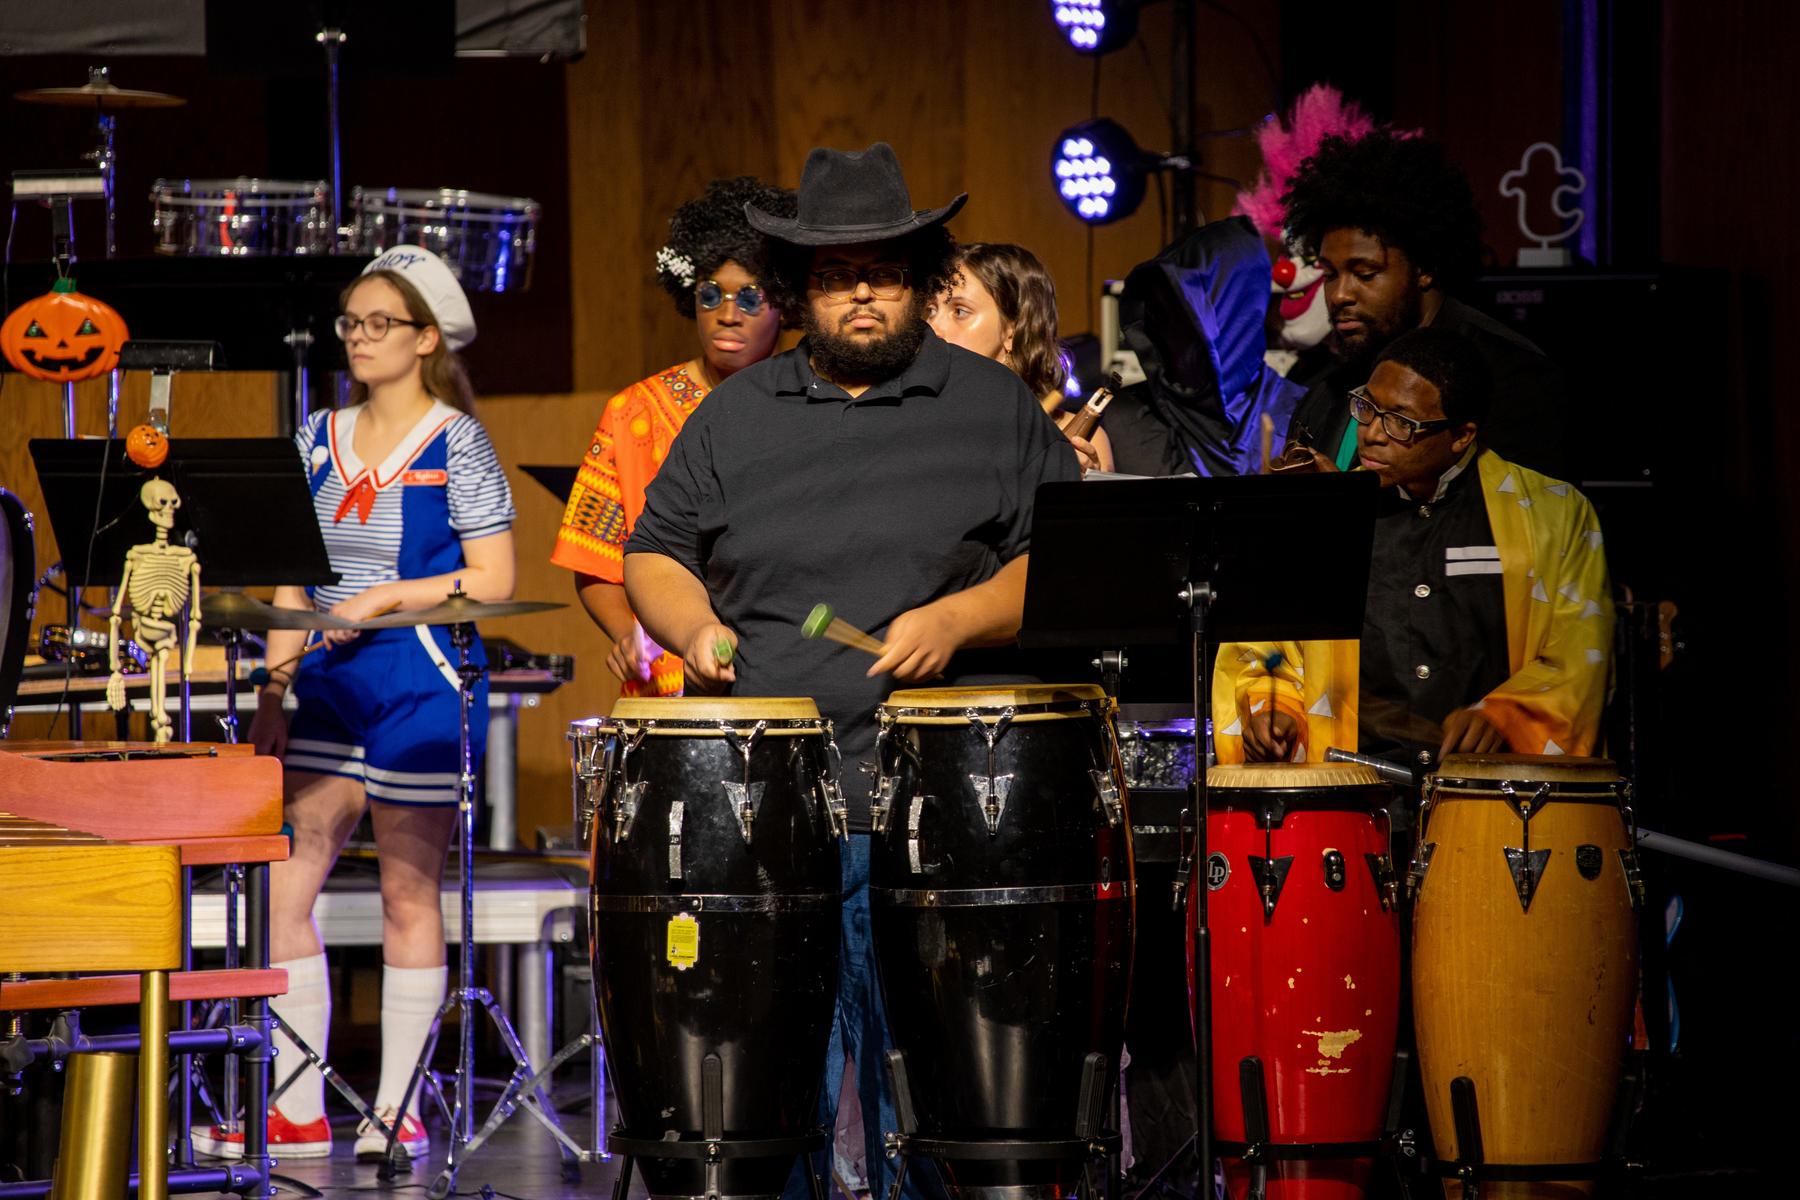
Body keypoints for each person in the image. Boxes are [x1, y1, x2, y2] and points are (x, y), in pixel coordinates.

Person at [622, 142, 1080, 1200]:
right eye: (836, 277)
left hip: (948, 807)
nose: (862, 294)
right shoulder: (735, 416)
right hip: (762, 809)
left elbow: (1061, 559)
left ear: (919, 279)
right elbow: (655, 550)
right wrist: (691, 628)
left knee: (924, 1092)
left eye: (883, 272)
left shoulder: (990, 406)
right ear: (799, 292)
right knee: (768, 1087)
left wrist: (962, 616)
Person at [195, 247, 516, 1161]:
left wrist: (381, 598)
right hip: (326, 687)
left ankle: (398, 1110)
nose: (360, 338)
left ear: (426, 339)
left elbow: (495, 579)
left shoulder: (459, 440)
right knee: (286, 890)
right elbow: (293, 579)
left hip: (421, 675)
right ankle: (295, 1110)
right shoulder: (315, 435)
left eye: (380, 323)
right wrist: (274, 683)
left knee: (408, 893)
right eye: (351, 322)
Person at [1215, 327, 1612, 771]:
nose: (1372, 434)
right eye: (1367, 408)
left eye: (1401, 421)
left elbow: (1579, 657)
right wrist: (1276, 711)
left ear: (1461, 436)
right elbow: (1266, 648)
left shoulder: (1553, 514)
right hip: (1357, 797)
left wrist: (1506, 714)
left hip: (1487, 801)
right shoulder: (1328, 514)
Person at [552, 177, 795, 695]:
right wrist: (626, 633)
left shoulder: (807, 402)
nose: (728, 314)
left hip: (780, 673)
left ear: (785, 306)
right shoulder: (632, 412)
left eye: (750, 298)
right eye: (712, 295)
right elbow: (595, 558)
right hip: (667, 692)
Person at [1279, 130, 1571, 479]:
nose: (1340, 294)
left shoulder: (1511, 380)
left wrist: (1346, 510)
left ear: (1425, 267)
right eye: (1330, 274)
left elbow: (1536, 523)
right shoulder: (1329, 389)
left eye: (1366, 273)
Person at [927, 241, 1113, 472]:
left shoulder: (1076, 436)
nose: (934, 327)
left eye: (960, 311)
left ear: (1013, 330)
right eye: (931, 310)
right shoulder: (916, 419)